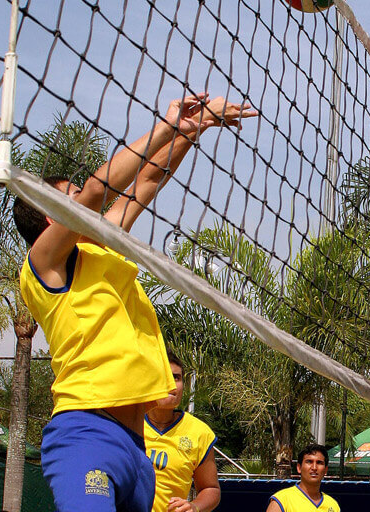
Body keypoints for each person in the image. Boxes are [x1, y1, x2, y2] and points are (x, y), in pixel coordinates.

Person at [13, 94, 255, 512]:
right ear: (52, 217)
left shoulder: (101, 249)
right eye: (69, 199)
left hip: (136, 449)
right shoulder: (45, 263)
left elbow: (147, 181)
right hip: (85, 434)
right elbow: (94, 191)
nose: (87, 201)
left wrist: (193, 129)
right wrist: (165, 126)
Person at [144, 349, 220, 512]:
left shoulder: (200, 433)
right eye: (164, 376)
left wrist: (194, 506)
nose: (171, 384)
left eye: (176, 378)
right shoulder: (126, 424)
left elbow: (211, 489)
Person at [266, 444, 340, 512]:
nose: (314, 467)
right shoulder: (282, 501)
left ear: (325, 470)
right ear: (299, 468)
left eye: (319, 463)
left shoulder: (333, 505)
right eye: (309, 462)